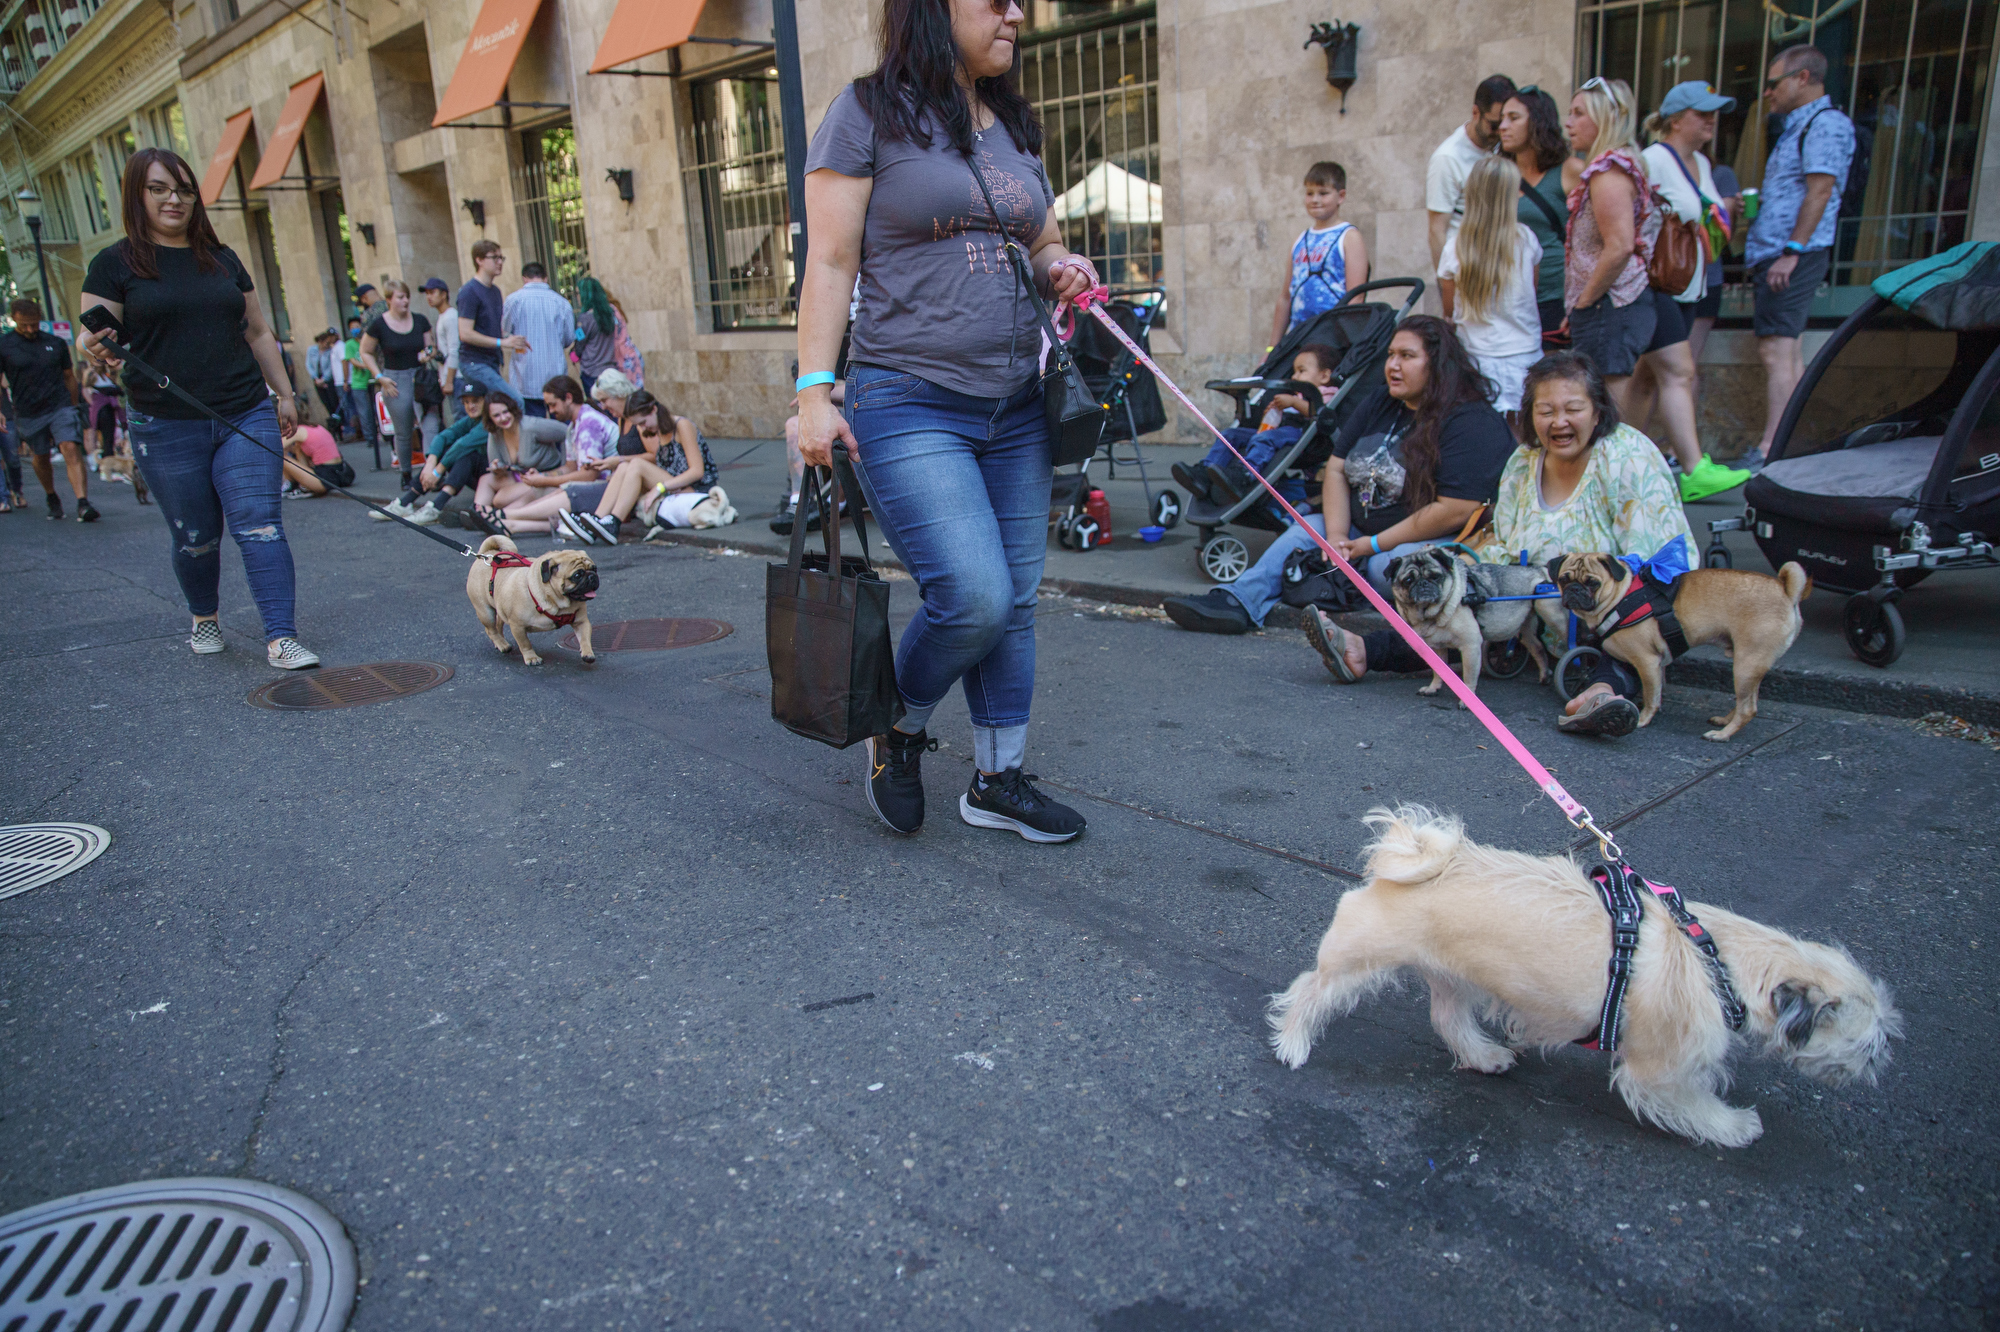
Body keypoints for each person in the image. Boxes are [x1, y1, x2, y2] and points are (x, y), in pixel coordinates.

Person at [796, 0, 1098, 842]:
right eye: (993, 1)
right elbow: (828, 259)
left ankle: (998, 780)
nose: (1014, 13)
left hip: (1017, 405)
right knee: (972, 594)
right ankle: (898, 727)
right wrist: (813, 393)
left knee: (1019, 602)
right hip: (910, 396)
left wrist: (1061, 265)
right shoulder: (865, 113)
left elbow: (1041, 241)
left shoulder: (1012, 125)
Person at [1305, 352, 1695, 739]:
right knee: (1450, 609)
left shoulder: (1629, 455)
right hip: (1528, 601)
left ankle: (1601, 694)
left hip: (1607, 616)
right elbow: (1503, 544)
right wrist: (1466, 581)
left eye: (1573, 409)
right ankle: (1364, 652)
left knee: (1624, 633)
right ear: (1529, 416)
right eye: (1545, 411)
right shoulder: (1524, 461)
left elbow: (1656, 562)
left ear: (1597, 411)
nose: (1558, 422)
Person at [78, 147, 318, 669]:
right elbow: (93, 335)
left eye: (184, 189)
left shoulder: (223, 258)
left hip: (244, 411)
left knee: (261, 524)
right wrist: (95, 349)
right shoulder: (113, 263)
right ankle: (204, 617)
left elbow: (257, 330)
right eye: (159, 188)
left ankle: (281, 636)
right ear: (136, 195)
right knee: (196, 537)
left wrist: (284, 394)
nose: (174, 199)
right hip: (164, 422)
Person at [1163, 316, 1515, 635]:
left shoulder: (1471, 421)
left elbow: (1455, 508)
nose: (1392, 365)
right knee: (1307, 529)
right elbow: (1336, 467)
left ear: (1439, 364)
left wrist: (1371, 545)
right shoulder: (1381, 401)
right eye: (1391, 354)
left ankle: (1332, 589)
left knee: (1382, 567)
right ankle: (1237, 601)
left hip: (1423, 544)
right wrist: (1335, 535)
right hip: (1356, 531)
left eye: (1407, 356)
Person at [1630, 82, 1754, 500]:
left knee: (1648, 379)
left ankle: (1626, 463)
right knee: (1679, 371)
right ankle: (1693, 469)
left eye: (1714, 113)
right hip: (1656, 284)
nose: (1711, 120)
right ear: (1676, 119)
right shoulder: (1652, 161)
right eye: (1703, 113)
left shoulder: (1701, 161)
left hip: (1690, 286)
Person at [1744, 45, 1856, 468]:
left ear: (1803, 78)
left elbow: (1821, 190)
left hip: (1791, 253)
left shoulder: (1825, 125)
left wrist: (1791, 251)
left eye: (1774, 83)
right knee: (1785, 350)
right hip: (1779, 250)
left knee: (1777, 350)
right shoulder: (1797, 126)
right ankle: (1785, 446)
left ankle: (1774, 448)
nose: (1768, 92)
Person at [1561, 80, 1656, 390]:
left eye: (1579, 113)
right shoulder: (1616, 165)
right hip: (1610, 304)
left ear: (1607, 118)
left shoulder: (1609, 172)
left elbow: (1619, 246)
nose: (1569, 122)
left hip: (1610, 304)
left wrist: (1585, 303)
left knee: (1606, 409)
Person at [1172, 343, 1339, 510]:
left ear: (1324, 376)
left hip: (1303, 435)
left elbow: (1322, 414)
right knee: (1230, 434)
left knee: (1266, 438)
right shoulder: (1296, 392)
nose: (1294, 377)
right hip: (1279, 430)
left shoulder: (1327, 392)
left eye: (1301, 371)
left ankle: (1245, 474)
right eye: (1294, 371)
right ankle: (1204, 472)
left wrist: (1294, 402)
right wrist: (1273, 411)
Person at [1438, 156, 1542, 416]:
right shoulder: (1527, 239)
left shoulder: (1454, 247)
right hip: (1524, 354)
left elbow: (1449, 310)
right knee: (1524, 439)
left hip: (1475, 357)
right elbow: (1534, 291)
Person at [0, 297, 95, 523]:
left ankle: (83, 503)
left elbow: (69, 376)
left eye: (35, 323)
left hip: (60, 404)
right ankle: (51, 496)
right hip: (28, 410)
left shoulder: (55, 342)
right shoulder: (4, 345)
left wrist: (74, 405)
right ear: (14, 319)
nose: (31, 329)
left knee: (70, 447)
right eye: (25, 325)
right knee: (40, 457)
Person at [1497, 86, 1577, 340]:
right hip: (1509, 300)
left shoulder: (1569, 171)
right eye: (1501, 118)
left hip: (1555, 296)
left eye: (1513, 117)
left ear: (1538, 122)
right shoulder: (1499, 175)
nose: (1502, 126)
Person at [1269, 162, 1369, 345]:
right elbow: (1285, 297)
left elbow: (1356, 297)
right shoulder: (1300, 240)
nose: (1315, 199)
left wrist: (1347, 343)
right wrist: (1272, 349)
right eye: (1309, 193)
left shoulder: (1349, 237)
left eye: (1323, 193)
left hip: (1331, 339)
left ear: (1341, 196)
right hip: (1297, 337)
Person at [1428, 75, 1515, 270]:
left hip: (1502, 268)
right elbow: (1437, 230)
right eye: (1494, 125)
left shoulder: (1506, 146)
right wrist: (1446, 283)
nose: (1501, 131)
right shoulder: (1448, 157)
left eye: (1508, 122)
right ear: (1475, 112)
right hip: (1467, 271)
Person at [357, 279, 438, 487]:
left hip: (420, 377)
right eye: (401, 297)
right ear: (389, 300)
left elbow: (430, 347)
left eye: (407, 296)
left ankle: (432, 470)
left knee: (430, 425)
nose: (406, 301)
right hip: (395, 379)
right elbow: (365, 351)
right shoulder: (379, 325)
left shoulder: (420, 320)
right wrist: (379, 376)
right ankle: (406, 473)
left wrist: (427, 354)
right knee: (403, 430)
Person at [374, 384, 489, 524]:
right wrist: (430, 464)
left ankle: (436, 507)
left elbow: (463, 445)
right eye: (466, 402)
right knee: (448, 448)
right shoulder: (471, 420)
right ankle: (406, 502)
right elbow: (443, 437)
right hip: (481, 475)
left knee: (465, 454)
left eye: (475, 401)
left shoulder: (489, 422)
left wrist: (436, 472)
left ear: (485, 401)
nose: (471, 406)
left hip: (495, 479)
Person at [468, 392, 566, 534]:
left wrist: (565, 464)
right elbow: (495, 463)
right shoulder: (495, 433)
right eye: (496, 416)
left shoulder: (530, 427)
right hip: (521, 476)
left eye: (505, 412)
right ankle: (477, 513)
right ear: (490, 419)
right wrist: (497, 467)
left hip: (543, 477)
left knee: (500, 499)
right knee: (486, 479)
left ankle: (495, 517)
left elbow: (566, 432)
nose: (503, 418)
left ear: (512, 410)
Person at [455, 239, 529, 411]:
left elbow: (492, 330)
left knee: (494, 413)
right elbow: (465, 333)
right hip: (474, 363)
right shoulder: (469, 292)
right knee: (514, 403)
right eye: (494, 257)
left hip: (491, 362)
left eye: (501, 258)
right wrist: (502, 343)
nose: (499, 262)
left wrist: (510, 338)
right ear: (479, 260)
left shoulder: (495, 291)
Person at [502, 261, 574, 417]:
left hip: (525, 375)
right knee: (559, 426)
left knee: (533, 427)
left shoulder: (513, 300)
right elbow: (569, 339)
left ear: (524, 278)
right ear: (546, 278)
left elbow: (505, 332)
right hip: (556, 376)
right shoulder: (561, 303)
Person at [573, 276, 630, 397]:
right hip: (611, 369)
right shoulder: (610, 314)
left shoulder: (584, 319)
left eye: (578, 293)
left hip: (591, 372)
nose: (577, 297)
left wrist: (573, 356)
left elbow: (579, 344)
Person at [421, 277, 459, 422]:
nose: (428, 297)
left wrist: (449, 381)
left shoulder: (450, 317)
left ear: (444, 294)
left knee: (461, 420)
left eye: (432, 292)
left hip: (456, 378)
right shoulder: (443, 317)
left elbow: (454, 351)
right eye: (427, 293)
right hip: (449, 377)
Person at [340, 314, 378, 455]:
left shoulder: (367, 340)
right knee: (364, 411)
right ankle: (370, 437)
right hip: (358, 383)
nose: (355, 329)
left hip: (372, 380)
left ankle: (380, 433)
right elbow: (351, 360)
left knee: (375, 409)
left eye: (357, 326)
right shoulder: (349, 344)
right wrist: (366, 365)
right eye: (352, 328)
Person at [280, 422, 347, 496]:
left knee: (282, 457)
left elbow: (275, 447)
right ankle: (301, 485)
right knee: (298, 447)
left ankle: (290, 484)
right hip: (339, 472)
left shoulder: (297, 431)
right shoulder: (317, 427)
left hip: (324, 478)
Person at [305, 328, 343, 431]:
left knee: (333, 402)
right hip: (317, 380)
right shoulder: (312, 350)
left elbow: (331, 367)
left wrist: (324, 379)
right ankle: (333, 427)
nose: (327, 345)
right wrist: (316, 378)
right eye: (325, 343)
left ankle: (339, 427)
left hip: (328, 380)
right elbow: (309, 365)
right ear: (320, 342)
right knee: (326, 403)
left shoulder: (330, 351)